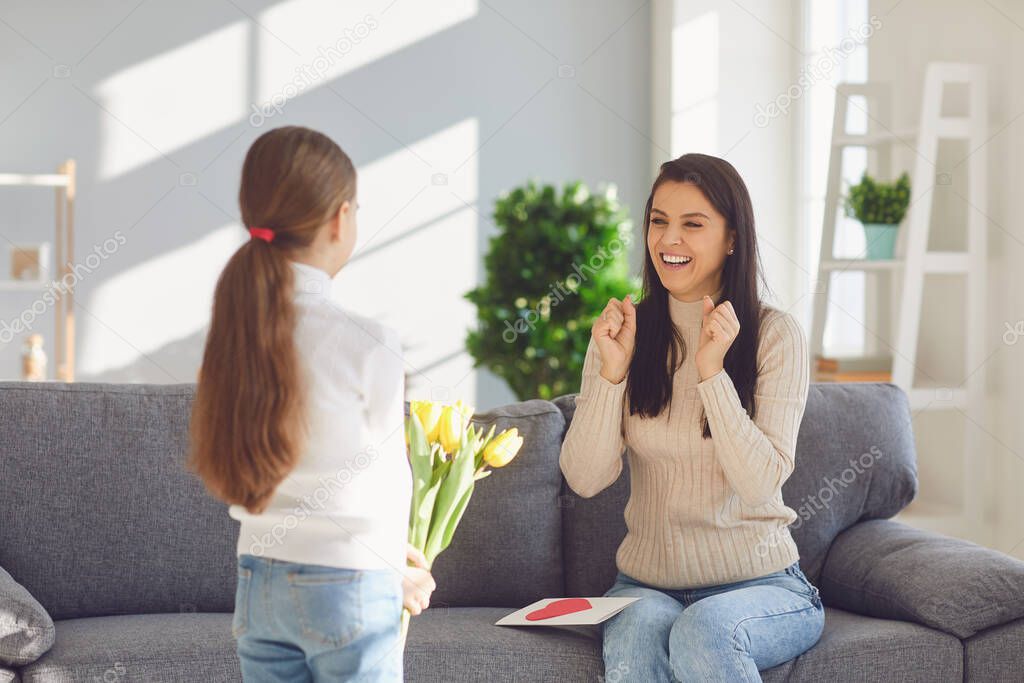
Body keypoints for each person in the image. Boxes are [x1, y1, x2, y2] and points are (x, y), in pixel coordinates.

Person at [560, 153, 824, 681]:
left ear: (731, 238)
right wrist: (612, 376)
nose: (668, 240)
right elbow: (585, 479)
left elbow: (758, 484)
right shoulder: (622, 334)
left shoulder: (775, 335)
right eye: (659, 221)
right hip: (645, 585)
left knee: (706, 628)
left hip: (762, 585)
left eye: (692, 224)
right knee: (638, 633)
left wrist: (712, 373)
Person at [189, 125, 435, 682]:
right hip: (348, 583)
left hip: (258, 581)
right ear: (339, 219)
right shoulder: (368, 341)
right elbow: (386, 478)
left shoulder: (233, 333)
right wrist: (393, 566)